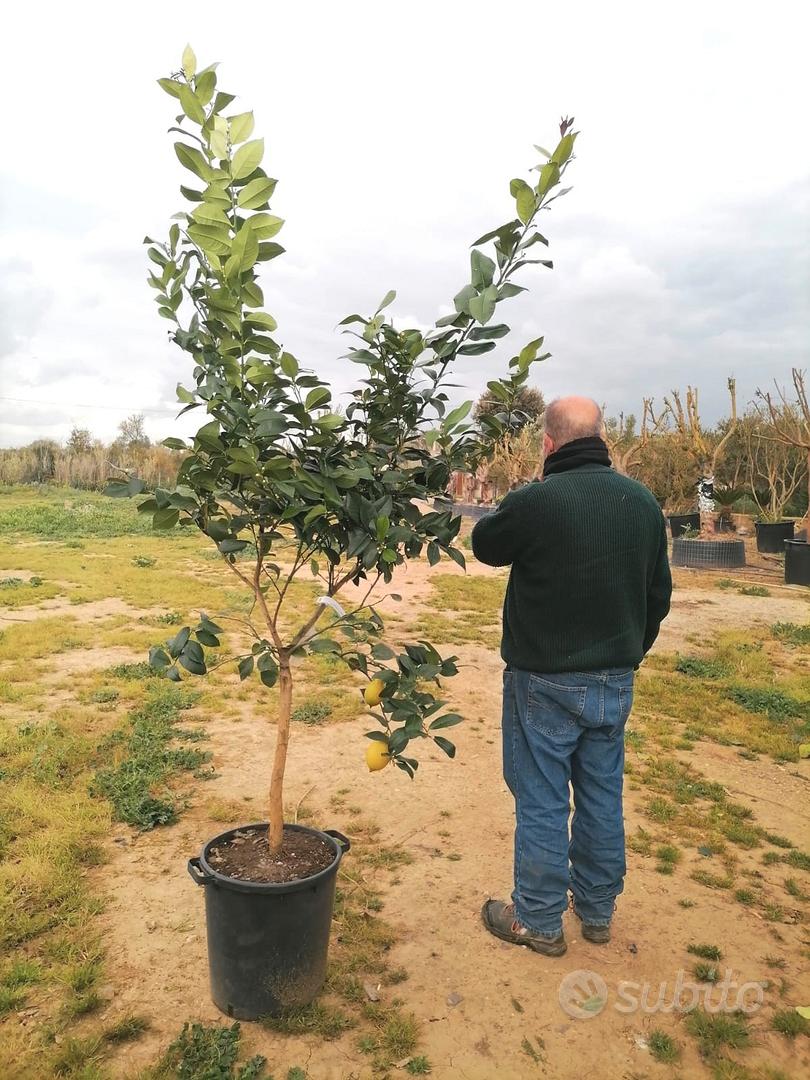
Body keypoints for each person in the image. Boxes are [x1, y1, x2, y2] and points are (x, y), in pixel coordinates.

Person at [472, 396, 672, 956]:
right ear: (602, 437)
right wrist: (630, 651)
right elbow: (659, 594)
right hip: (614, 679)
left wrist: (530, 487)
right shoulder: (641, 503)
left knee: (541, 799)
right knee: (602, 794)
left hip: (542, 681)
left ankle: (537, 920)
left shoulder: (536, 501)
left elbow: (485, 544)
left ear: (548, 443)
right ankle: (597, 909)